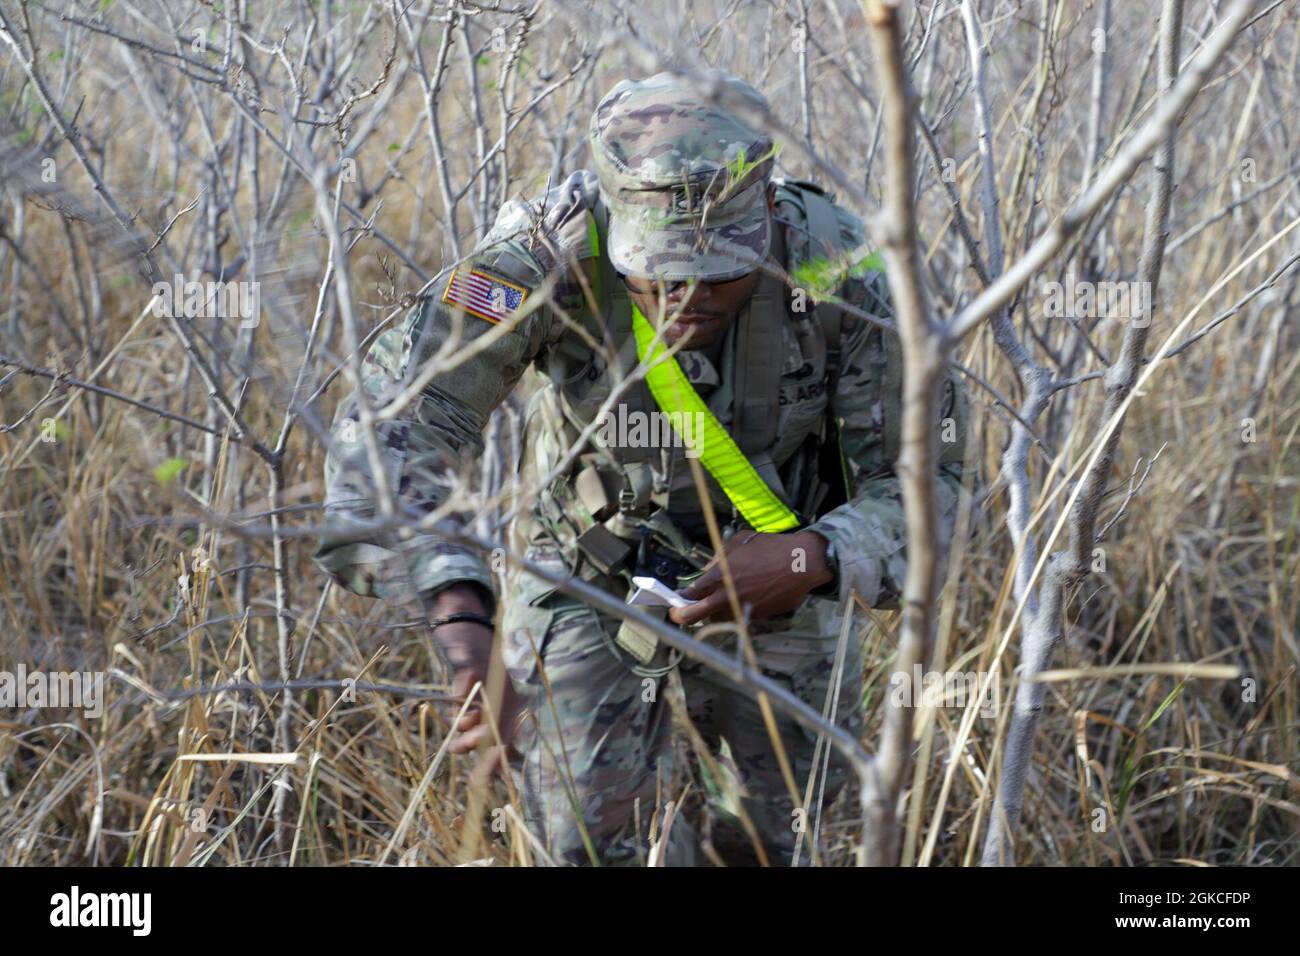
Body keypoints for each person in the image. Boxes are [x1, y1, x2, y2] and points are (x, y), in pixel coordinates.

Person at [314, 70, 966, 865]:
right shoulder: (543, 256)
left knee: (770, 839)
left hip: (785, 579)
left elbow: (930, 479)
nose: (685, 295)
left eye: (718, 270)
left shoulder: (840, 266)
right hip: (591, 574)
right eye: (655, 269)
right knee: (588, 838)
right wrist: (463, 619)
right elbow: (390, 430)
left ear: (764, 213)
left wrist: (814, 556)